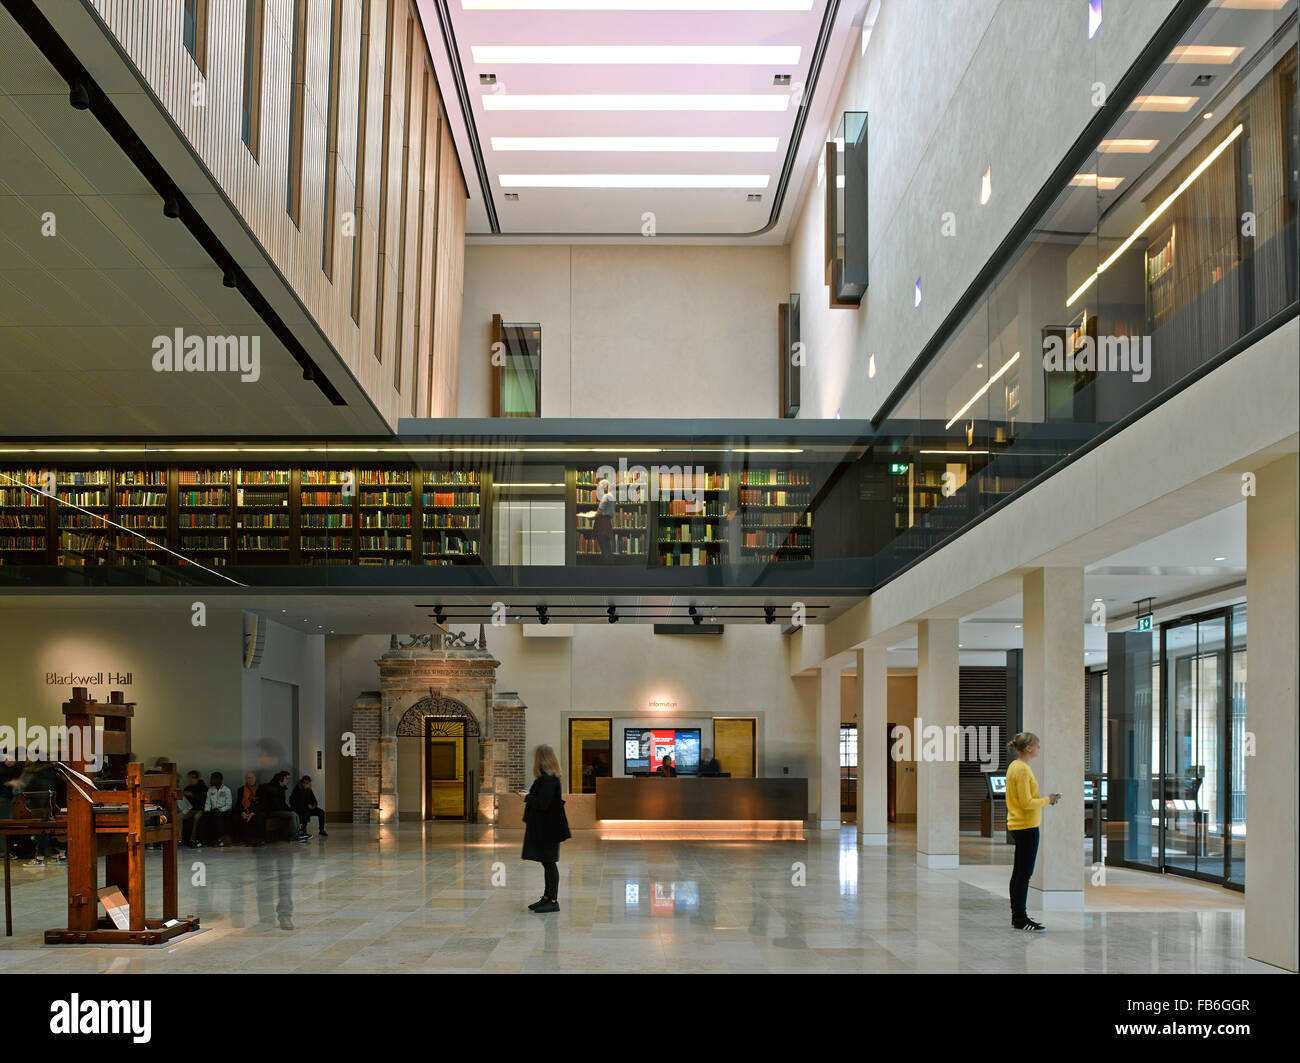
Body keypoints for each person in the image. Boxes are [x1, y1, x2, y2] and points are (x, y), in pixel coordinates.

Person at [1005, 732, 1061, 932]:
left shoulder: (1015, 767)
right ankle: (1020, 918)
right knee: (1024, 873)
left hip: (1019, 825)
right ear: (1028, 748)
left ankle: (1018, 916)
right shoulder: (1022, 769)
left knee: (1019, 872)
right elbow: (1026, 802)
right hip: (1026, 826)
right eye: (1037, 745)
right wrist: (1048, 800)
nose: (1039, 749)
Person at [521, 744, 569, 913]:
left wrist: (526, 797)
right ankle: (547, 897)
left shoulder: (548, 779)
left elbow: (543, 803)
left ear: (541, 759)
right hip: (548, 825)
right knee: (547, 862)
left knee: (549, 862)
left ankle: (553, 901)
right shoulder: (548, 778)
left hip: (549, 827)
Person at [262, 771, 310, 842]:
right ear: (281, 779)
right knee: (292, 815)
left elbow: (282, 804)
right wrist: (289, 810)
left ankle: (299, 833)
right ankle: (294, 837)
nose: (288, 781)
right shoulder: (273, 788)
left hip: (278, 810)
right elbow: (276, 805)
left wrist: (290, 810)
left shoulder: (281, 788)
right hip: (271, 811)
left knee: (295, 813)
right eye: (287, 778)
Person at [578, 477, 616, 559]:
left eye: (600, 487)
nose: (599, 489)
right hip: (607, 523)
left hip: (602, 524)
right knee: (607, 548)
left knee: (604, 548)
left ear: (605, 487)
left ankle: (606, 566)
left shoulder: (606, 497)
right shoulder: (611, 496)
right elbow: (610, 513)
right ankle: (610, 567)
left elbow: (599, 511)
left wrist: (589, 515)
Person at [198, 771, 232, 847]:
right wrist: (206, 810)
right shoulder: (210, 790)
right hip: (212, 811)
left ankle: (220, 840)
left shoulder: (226, 790)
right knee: (202, 819)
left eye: (213, 779)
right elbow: (208, 802)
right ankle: (202, 841)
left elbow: (229, 805)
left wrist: (221, 810)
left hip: (223, 811)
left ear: (219, 780)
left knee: (218, 819)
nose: (210, 781)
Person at [234, 772, 265, 846]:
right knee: (236, 817)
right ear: (246, 780)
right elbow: (238, 804)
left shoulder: (261, 789)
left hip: (256, 810)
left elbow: (263, 803)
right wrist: (242, 813)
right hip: (245, 810)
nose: (250, 780)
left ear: (255, 779)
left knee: (258, 817)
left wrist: (252, 813)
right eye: (248, 778)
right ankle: (244, 840)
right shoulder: (241, 789)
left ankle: (258, 839)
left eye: (252, 778)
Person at [180, 770, 207, 846]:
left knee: (197, 817)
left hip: (200, 809)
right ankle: (178, 839)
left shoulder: (203, 788)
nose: (190, 780)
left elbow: (203, 802)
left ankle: (193, 838)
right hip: (190, 810)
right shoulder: (188, 788)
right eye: (189, 778)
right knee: (178, 816)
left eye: (193, 778)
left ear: (197, 779)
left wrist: (193, 796)